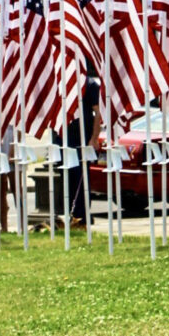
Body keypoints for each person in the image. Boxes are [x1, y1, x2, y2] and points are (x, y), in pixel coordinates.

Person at [60, 73, 101, 228]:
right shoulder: (62, 81)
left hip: (83, 139)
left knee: (81, 177)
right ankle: (71, 214)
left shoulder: (89, 84)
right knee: (67, 178)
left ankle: (82, 217)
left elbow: (98, 113)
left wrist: (94, 138)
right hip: (64, 138)